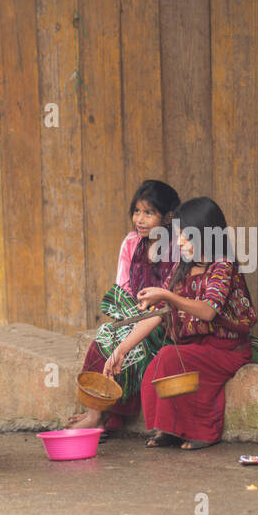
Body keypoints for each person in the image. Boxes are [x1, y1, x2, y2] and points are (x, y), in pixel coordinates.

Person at [137, 197, 256, 451]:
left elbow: (209, 311)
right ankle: (170, 430)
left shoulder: (223, 266)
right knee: (158, 365)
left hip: (227, 350)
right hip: (195, 347)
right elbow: (157, 314)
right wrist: (121, 350)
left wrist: (167, 295)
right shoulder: (182, 268)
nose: (179, 242)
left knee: (171, 356)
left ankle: (205, 431)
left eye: (186, 236)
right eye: (178, 235)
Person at [68, 179, 180, 437]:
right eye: (136, 211)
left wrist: (145, 310)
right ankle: (96, 412)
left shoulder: (177, 247)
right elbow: (123, 287)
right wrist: (133, 310)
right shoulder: (131, 242)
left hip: (163, 321)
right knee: (105, 336)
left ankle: (110, 414)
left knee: (131, 347)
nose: (140, 219)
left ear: (167, 217)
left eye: (149, 213)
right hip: (133, 311)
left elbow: (169, 296)